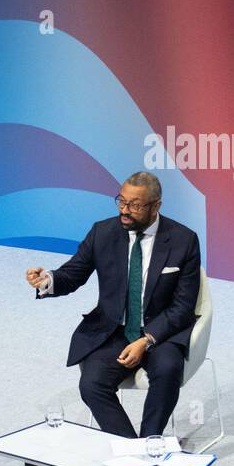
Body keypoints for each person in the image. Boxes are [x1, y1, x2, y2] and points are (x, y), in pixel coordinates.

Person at [25, 172, 202, 439]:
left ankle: (151, 438)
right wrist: (47, 279)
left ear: (156, 206)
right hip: (113, 330)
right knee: (91, 385)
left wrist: (146, 341)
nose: (125, 211)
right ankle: (133, 449)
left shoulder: (183, 240)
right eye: (121, 201)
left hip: (160, 330)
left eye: (135, 205)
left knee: (167, 371)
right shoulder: (102, 232)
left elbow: (183, 307)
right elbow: (74, 273)